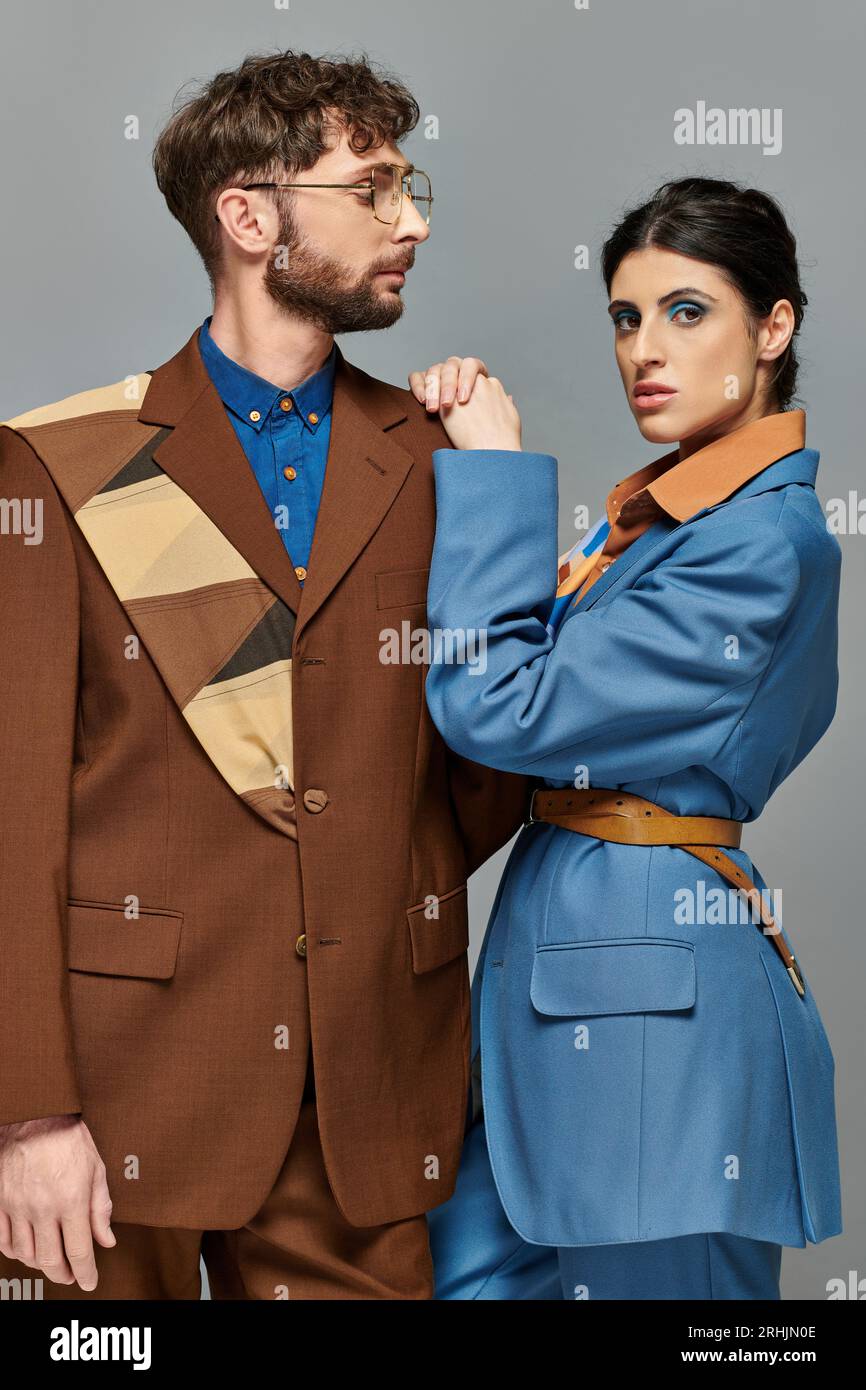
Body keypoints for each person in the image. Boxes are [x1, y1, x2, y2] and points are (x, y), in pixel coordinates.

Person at [0, 49, 531, 1301]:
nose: (408, 223)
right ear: (248, 216)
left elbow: (487, 775)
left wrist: (502, 492)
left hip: (359, 1098)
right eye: (372, 188)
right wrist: (25, 1116)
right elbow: (12, 815)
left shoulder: (440, 459)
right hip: (107, 1105)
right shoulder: (60, 466)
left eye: (413, 190)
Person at [410, 176, 843, 1300]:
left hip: (657, 1012)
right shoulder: (656, 525)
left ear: (774, 326)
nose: (644, 348)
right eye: (624, 315)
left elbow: (499, 706)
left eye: (685, 311)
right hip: (567, 990)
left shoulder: (760, 544)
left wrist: (495, 470)